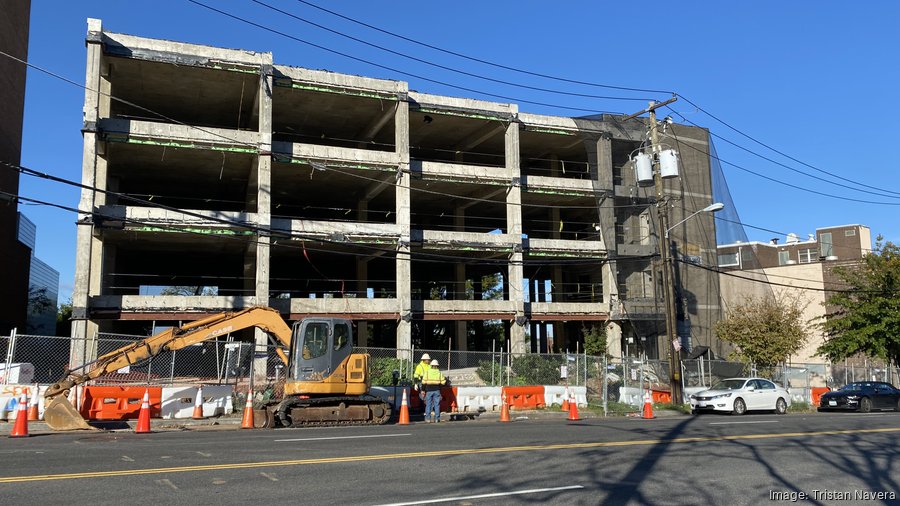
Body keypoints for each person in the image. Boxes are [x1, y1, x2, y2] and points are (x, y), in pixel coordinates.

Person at [422, 359, 446, 423]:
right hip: (437, 390)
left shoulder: (427, 372)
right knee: (437, 405)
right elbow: (443, 382)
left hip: (429, 390)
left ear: (431, 365)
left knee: (428, 405)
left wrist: (423, 390)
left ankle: (428, 419)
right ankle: (437, 419)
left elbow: (423, 382)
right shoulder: (439, 373)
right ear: (437, 366)